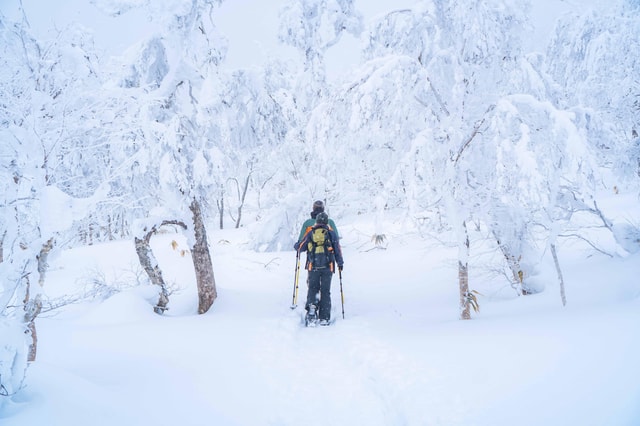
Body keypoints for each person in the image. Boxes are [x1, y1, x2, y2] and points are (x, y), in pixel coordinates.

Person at [297, 211, 343, 325]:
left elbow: (301, 247)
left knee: (313, 288)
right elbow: (337, 249)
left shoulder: (311, 233)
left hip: (313, 267)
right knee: (325, 291)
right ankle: (324, 318)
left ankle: (312, 311)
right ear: (327, 222)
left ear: (316, 221)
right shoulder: (331, 234)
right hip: (328, 267)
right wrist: (340, 263)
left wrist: (296, 245)